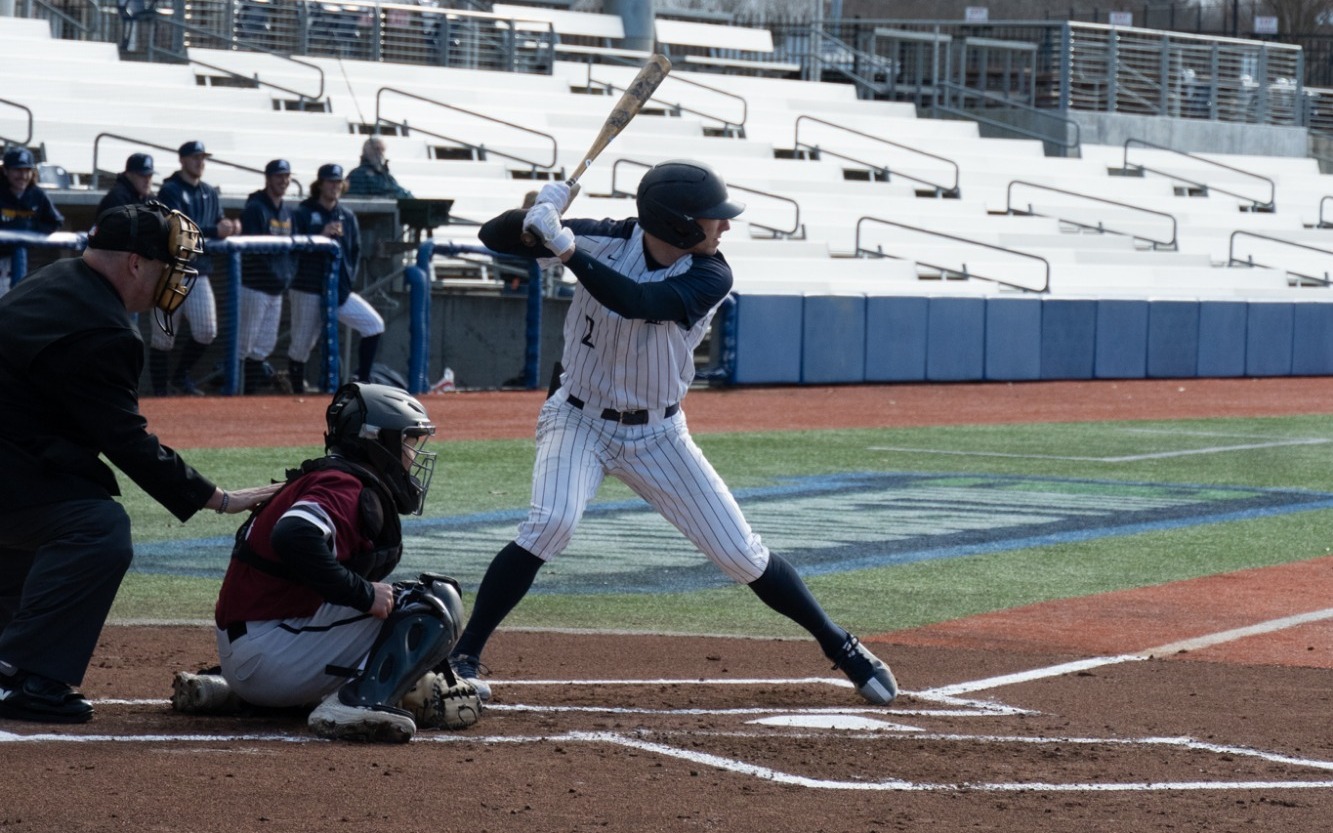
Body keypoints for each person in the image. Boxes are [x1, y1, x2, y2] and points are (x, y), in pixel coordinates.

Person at [447, 160, 898, 707]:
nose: (724, 228)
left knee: (741, 555)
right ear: (679, 223)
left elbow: (639, 304)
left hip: (658, 434)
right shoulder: (603, 237)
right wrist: (537, 212)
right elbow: (490, 237)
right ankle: (464, 654)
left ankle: (840, 645)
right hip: (578, 418)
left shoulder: (712, 274)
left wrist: (564, 249)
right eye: (713, 219)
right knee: (551, 523)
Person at [0, 202, 280, 725]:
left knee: (51, 506)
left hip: (18, 460)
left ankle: (9, 656)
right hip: (14, 466)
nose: (175, 280)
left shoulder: (57, 281)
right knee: (97, 528)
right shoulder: (103, 331)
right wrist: (216, 498)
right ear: (134, 263)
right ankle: (28, 676)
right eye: (168, 266)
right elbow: (125, 440)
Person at [171, 382, 481, 742]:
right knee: (432, 602)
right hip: (270, 652)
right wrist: (364, 594)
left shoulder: (332, 477)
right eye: (408, 442)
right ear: (378, 442)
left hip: (258, 649)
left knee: (397, 607)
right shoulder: (341, 485)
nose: (411, 455)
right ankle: (358, 703)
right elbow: (293, 536)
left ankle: (230, 692)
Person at [151, 141, 241, 396]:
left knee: (206, 330)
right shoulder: (170, 190)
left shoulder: (209, 191)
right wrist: (215, 230)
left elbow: (217, 219)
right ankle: (159, 394)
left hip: (199, 270)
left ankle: (179, 376)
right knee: (163, 336)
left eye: (203, 158)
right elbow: (177, 227)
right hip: (169, 270)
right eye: (195, 157)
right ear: (182, 160)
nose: (200, 162)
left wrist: (228, 225)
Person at [287, 163, 385, 394]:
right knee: (302, 345)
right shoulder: (303, 212)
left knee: (374, 324)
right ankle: (295, 392)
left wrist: (346, 281)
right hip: (307, 287)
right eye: (330, 181)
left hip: (337, 290)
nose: (334, 186)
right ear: (320, 184)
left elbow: (355, 252)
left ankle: (362, 382)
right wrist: (320, 235)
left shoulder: (347, 216)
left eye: (338, 182)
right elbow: (292, 249)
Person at [239, 159, 297, 394]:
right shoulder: (255, 208)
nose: (283, 181)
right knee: (244, 345)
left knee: (263, 346)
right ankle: (234, 395)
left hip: (276, 289)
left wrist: (287, 274)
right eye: (278, 176)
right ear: (268, 178)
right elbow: (253, 249)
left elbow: (292, 249)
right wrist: (277, 273)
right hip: (255, 287)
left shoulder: (286, 211)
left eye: (286, 176)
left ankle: (248, 395)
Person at [0, 146, 64, 297]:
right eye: (17, 170)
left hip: (21, 257)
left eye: (26, 171)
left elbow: (54, 221)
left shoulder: (36, 194)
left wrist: (29, 232)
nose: (23, 176)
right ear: (6, 171)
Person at [346, 137, 413, 199]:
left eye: (383, 150)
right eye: (377, 149)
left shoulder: (387, 177)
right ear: (366, 152)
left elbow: (400, 192)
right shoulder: (357, 175)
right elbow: (358, 201)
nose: (380, 153)